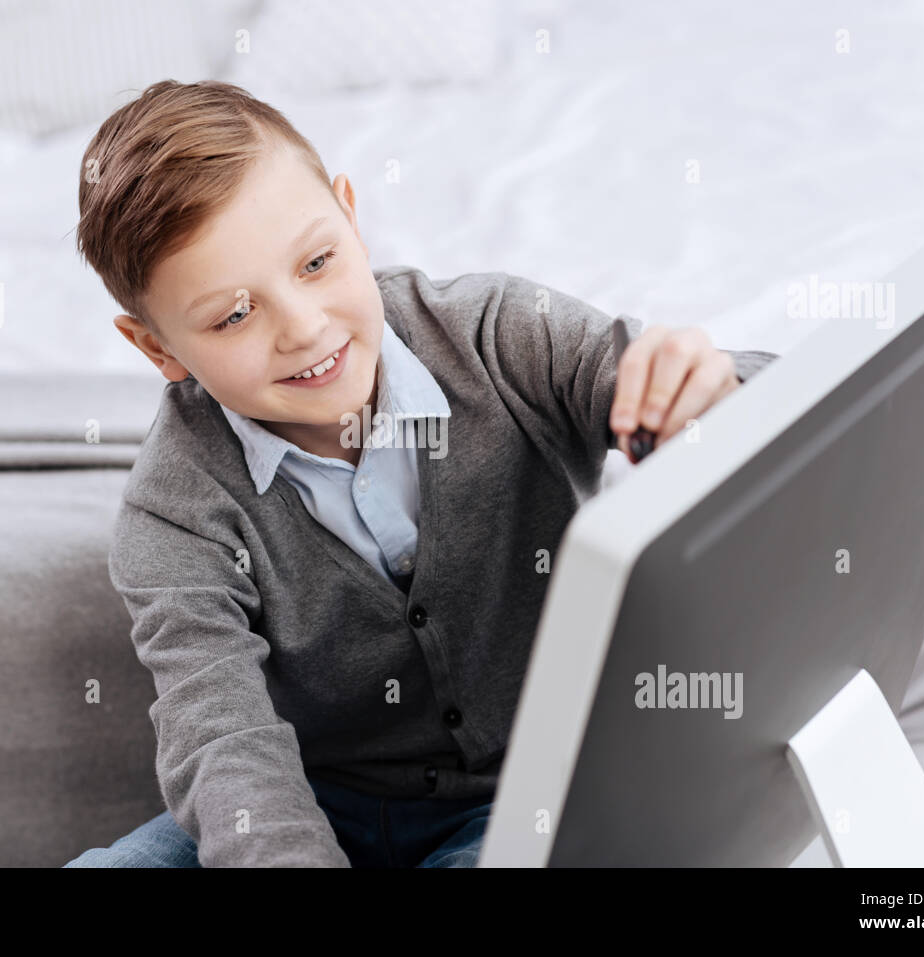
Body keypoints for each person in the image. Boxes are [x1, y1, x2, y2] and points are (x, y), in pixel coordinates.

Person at [64, 79, 778, 867]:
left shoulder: (499, 338)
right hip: (310, 803)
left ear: (349, 214)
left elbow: (769, 396)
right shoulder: (173, 514)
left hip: (533, 788)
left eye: (317, 261)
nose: (305, 328)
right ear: (157, 348)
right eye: (234, 315)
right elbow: (222, 738)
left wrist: (713, 396)